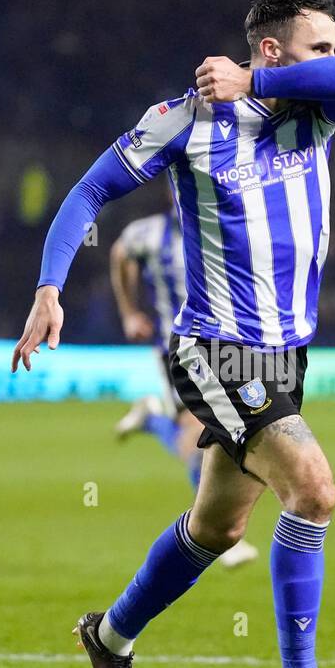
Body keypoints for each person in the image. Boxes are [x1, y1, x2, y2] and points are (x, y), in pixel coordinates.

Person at [13, 0, 335, 668]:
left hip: (285, 354)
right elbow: (89, 191)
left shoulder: (317, 109)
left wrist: (262, 83)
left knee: (216, 527)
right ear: (271, 46)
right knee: (312, 491)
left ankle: (109, 636)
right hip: (213, 348)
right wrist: (49, 288)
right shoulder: (187, 119)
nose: (333, 59)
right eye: (319, 46)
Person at [109, 195, 259, 569]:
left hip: (224, 347)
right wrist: (129, 312)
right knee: (199, 434)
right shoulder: (150, 233)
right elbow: (118, 253)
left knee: (217, 435)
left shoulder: (223, 230)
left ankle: (151, 420)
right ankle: (219, 535)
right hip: (176, 350)